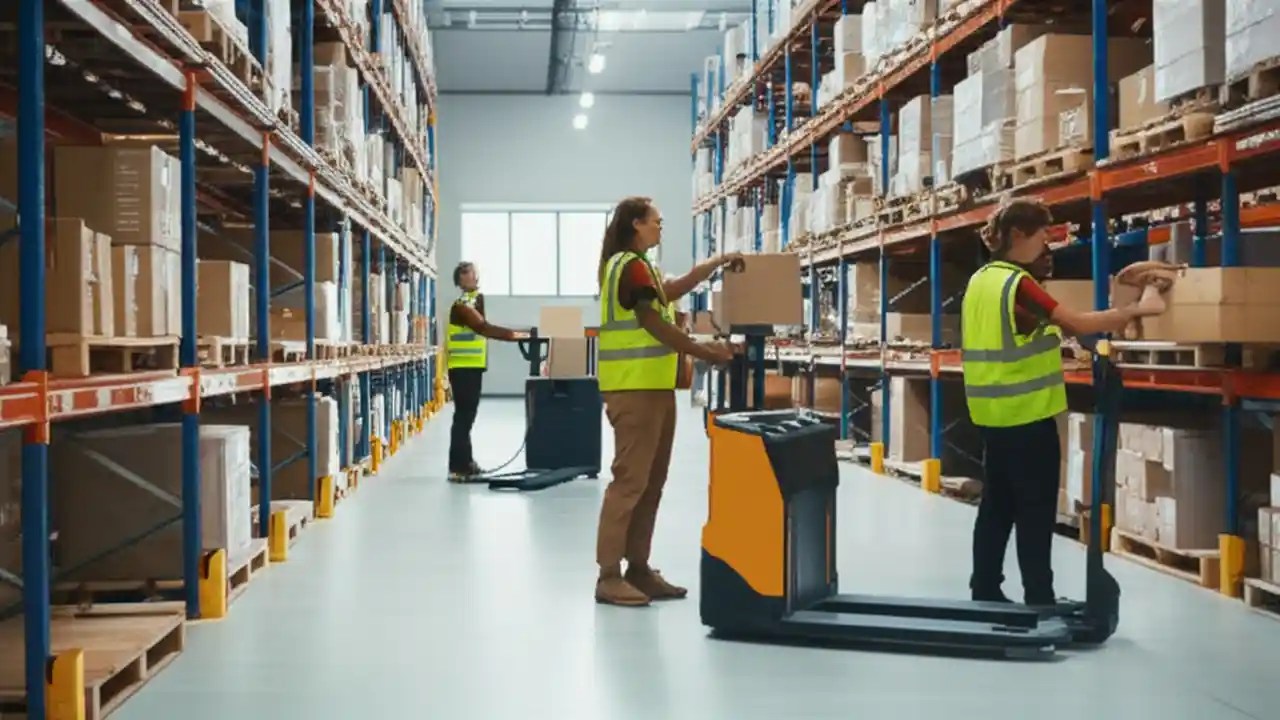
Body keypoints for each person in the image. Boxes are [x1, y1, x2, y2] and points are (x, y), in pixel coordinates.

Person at [961, 199, 1164, 607]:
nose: (1045, 247)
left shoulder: (981, 280)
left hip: (991, 415)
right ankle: (1040, 596)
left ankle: (984, 589)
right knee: (1034, 511)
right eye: (1041, 237)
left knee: (997, 506)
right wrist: (1139, 309)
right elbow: (1076, 322)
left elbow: (1025, 333)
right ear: (1019, 235)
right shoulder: (1016, 282)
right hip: (1027, 416)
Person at [593, 196, 738, 607]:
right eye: (657, 222)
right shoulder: (628, 265)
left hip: (654, 388)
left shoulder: (643, 267)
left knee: (652, 482)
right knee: (630, 482)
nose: (661, 228)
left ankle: (638, 567)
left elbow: (670, 291)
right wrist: (704, 352)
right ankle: (608, 575)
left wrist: (714, 264)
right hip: (633, 388)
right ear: (637, 224)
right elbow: (652, 321)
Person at [445, 261, 529, 481]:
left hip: (472, 367)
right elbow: (483, 327)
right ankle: (458, 468)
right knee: (464, 417)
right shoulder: (461, 306)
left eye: (474, 272)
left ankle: (467, 463)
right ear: (460, 280)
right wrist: (516, 335)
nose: (474, 276)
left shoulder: (474, 301)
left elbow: (482, 319)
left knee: (467, 416)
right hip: (462, 368)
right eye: (468, 273)